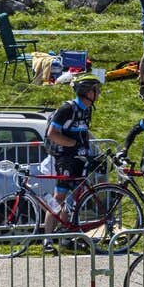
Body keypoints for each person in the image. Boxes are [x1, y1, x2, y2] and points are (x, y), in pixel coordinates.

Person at [45, 77, 100, 215]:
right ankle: (48, 235)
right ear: (87, 92)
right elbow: (52, 134)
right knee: (58, 198)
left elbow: (83, 133)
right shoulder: (67, 109)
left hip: (79, 158)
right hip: (64, 158)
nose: (99, 92)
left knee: (73, 200)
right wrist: (74, 144)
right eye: (96, 90)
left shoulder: (87, 110)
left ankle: (65, 233)